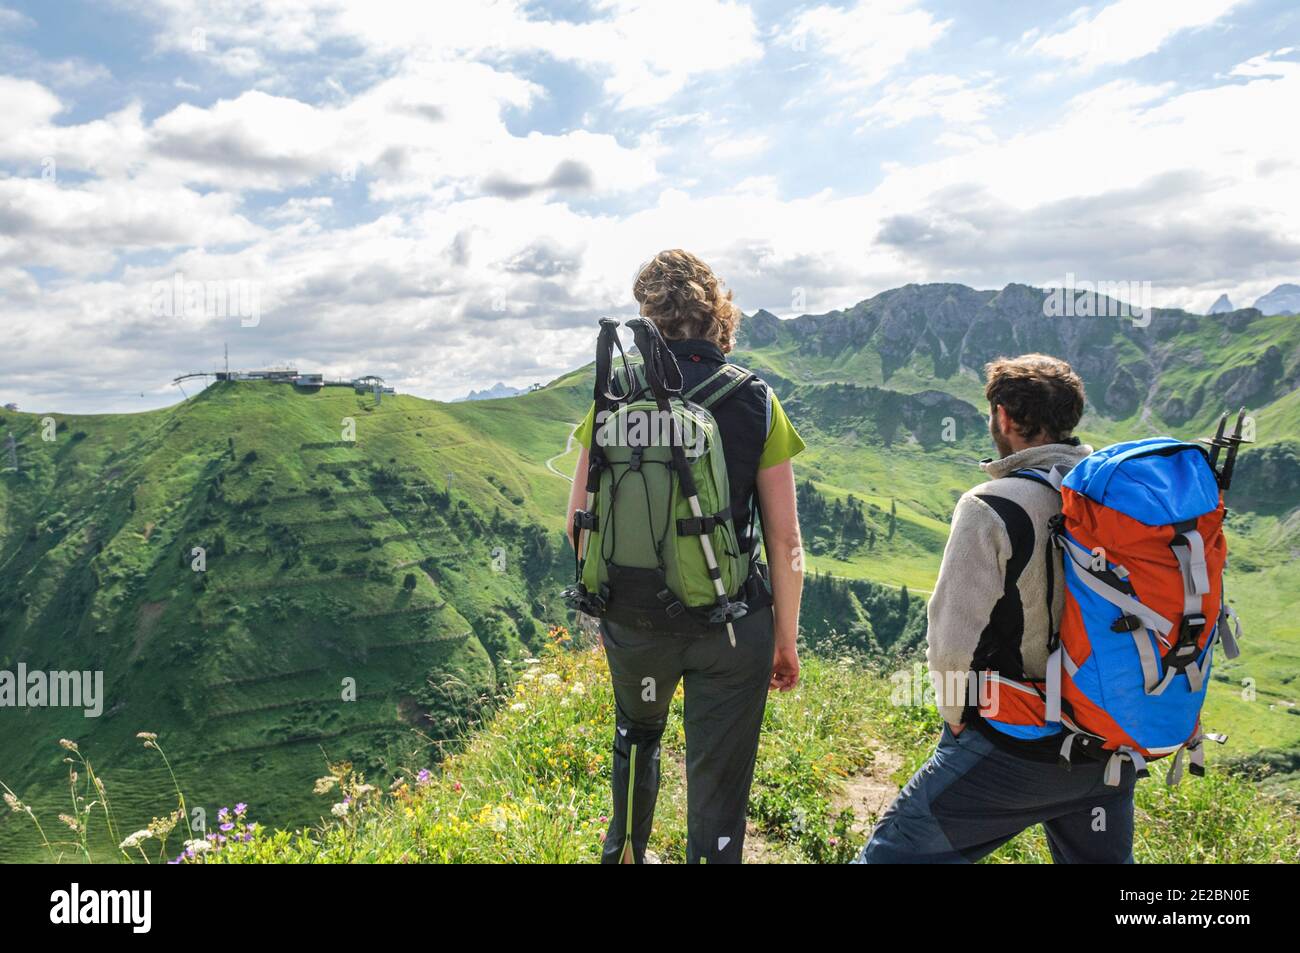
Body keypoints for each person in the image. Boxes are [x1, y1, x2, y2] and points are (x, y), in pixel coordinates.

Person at [565, 249, 805, 864]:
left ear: (649, 316)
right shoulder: (755, 399)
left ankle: (626, 852)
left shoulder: (613, 397)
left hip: (635, 619)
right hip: (730, 625)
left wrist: (621, 600)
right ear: (718, 316)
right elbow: (785, 542)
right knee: (719, 776)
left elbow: (577, 523)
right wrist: (784, 640)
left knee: (637, 739)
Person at [856, 353, 1137, 864]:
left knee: (890, 856)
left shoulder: (992, 505)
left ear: (1003, 417)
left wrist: (957, 718)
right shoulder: (1117, 499)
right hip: (1109, 744)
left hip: (1017, 741)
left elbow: (950, 640)